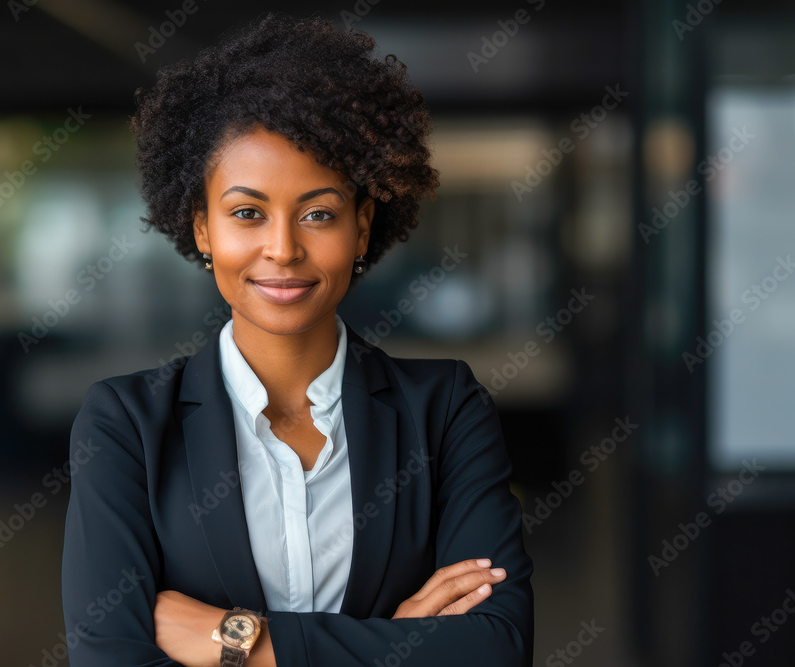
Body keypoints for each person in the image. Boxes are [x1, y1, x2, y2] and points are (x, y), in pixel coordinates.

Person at [61, 13, 533, 667]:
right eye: (247, 213)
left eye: (318, 213)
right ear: (201, 228)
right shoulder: (127, 425)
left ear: (363, 228)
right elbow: (110, 658)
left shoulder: (445, 410)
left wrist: (240, 641)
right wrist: (398, 644)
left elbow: (494, 648)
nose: (282, 249)